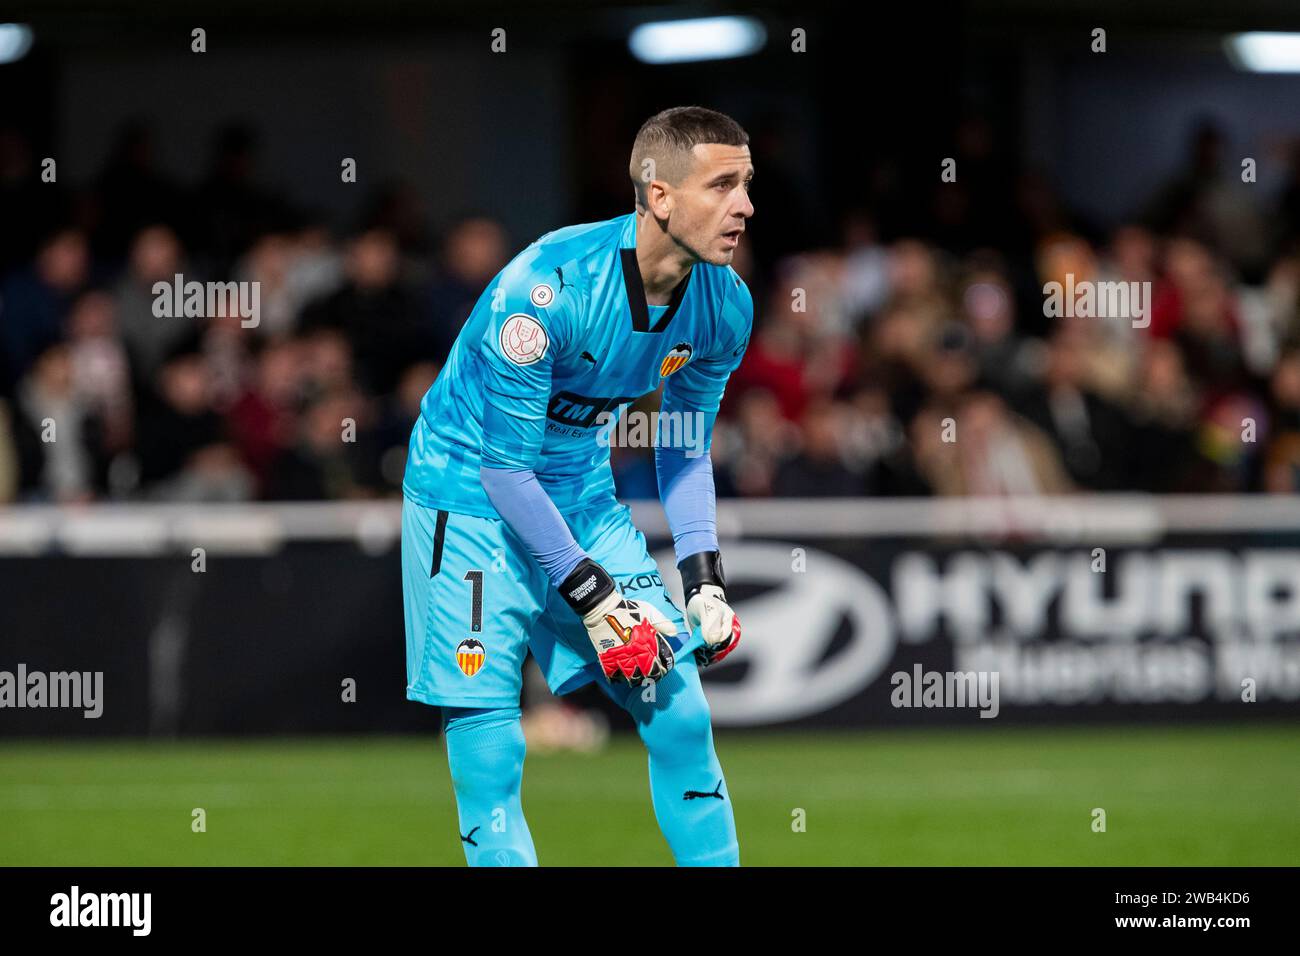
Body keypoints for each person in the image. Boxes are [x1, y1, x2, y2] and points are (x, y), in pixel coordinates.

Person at [401, 106, 753, 866]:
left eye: (746, 185)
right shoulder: (545, 290)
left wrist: (702, 580)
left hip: (577, 490)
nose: (745, 207)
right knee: (490, 749)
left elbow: (685, 447)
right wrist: (595, 597)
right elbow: (503, 469)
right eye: (722, 185)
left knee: (682, 711)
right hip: (466, 497)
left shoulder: (725, 304)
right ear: (659, 196)